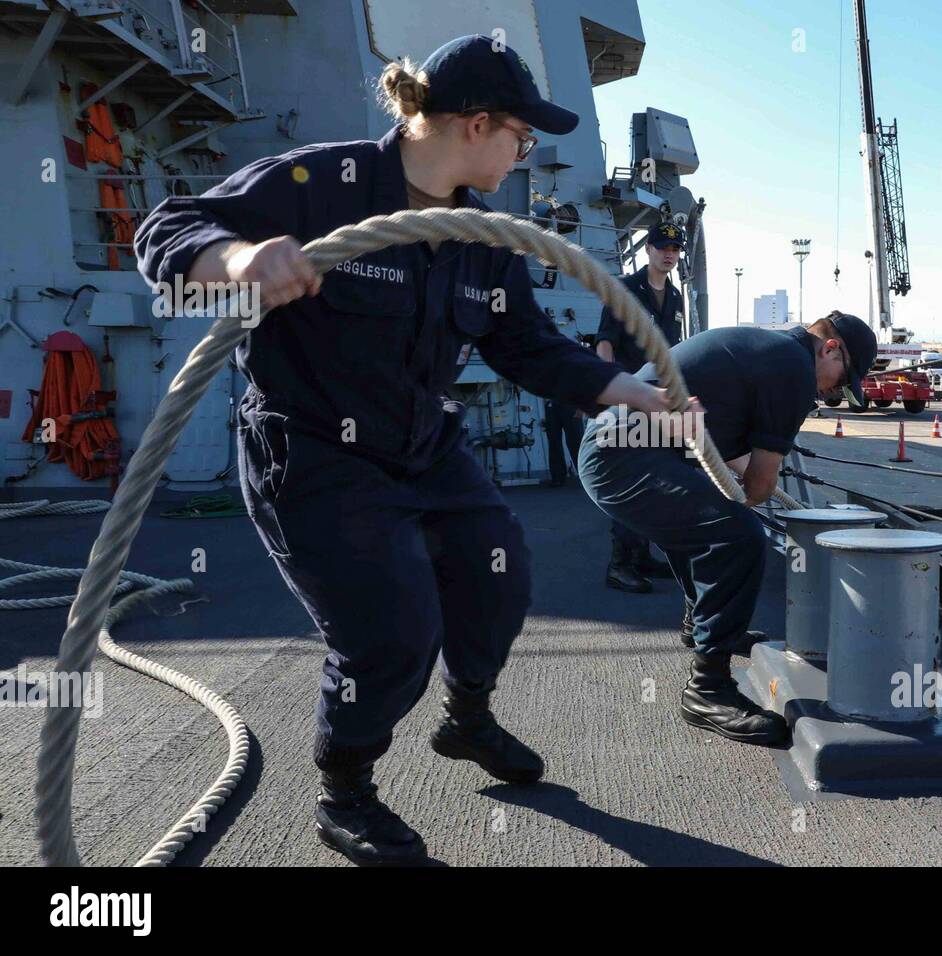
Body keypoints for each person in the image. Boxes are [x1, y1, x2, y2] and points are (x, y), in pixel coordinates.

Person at [134, 35, 673, 866]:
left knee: (500, 574)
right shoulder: (320, 185)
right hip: (313, 451)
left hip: (425, 444)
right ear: (477, 122)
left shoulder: (483, 235)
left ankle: (466, 719)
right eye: (521, 137)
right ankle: (344, 790)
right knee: (390, 632)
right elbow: (167, 230)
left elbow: (526, 346)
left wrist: (627, 392)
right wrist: (237, 257)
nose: (526, 152)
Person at [579, 311, 877, 746]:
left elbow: (734, 458)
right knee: (738, 537)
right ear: (830, 348)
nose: (831, 390)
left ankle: (704, 625)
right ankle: (708, 689)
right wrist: (755, 497)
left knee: (709, 522)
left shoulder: (766, 350)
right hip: (623, 458)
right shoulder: (793, 368)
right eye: (840, 378)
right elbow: (759, 483)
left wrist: (747, 487)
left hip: (617, 448)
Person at [593, 221, 687, 593]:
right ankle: (619, 565)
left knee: (653, 481)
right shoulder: (625, 290)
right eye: (662, 246)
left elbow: (674, 350)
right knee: (629, 479)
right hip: (629, 398)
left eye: (675, 248)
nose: (669, 253)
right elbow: (604, 342)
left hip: (659, 400)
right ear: (647, 249)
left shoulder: (675, 298)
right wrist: (610, 390)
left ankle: (642, 556)